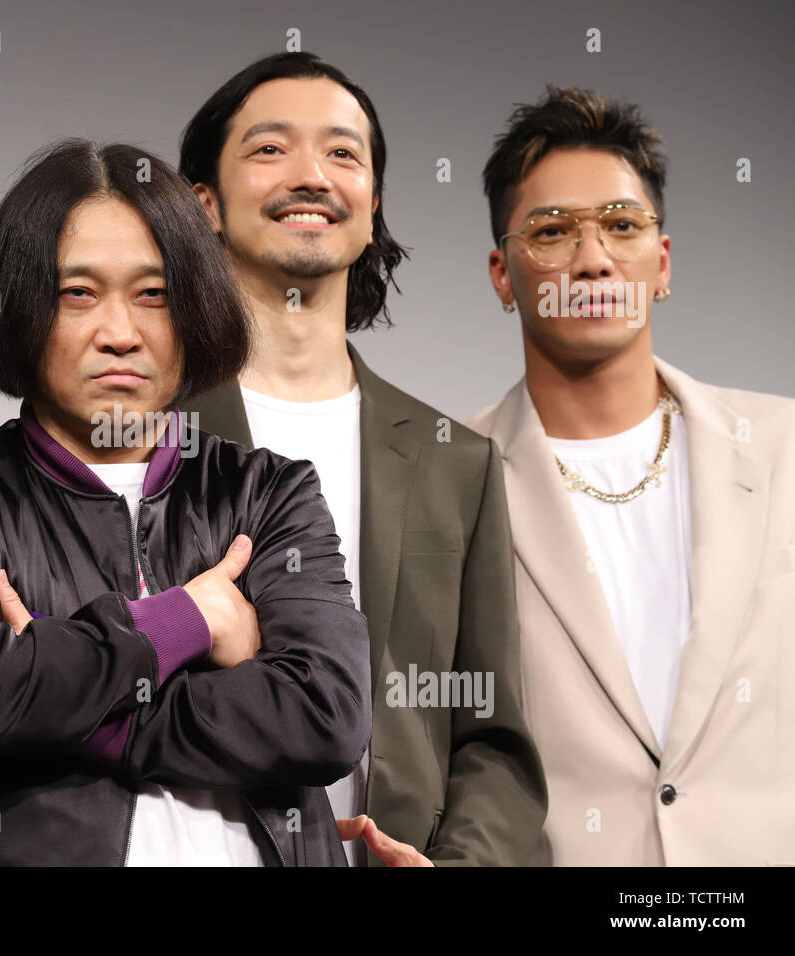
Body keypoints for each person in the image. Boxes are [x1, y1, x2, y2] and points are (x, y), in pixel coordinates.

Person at [0, 139, 370, 865]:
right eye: (78, 294)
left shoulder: (267, 491)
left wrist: (84, 704)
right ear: (21, 306)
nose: (120, 334)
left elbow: (326, 716)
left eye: (154, 295)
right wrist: (189, 619)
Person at [180, 52, 546, 866]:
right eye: (270, 149)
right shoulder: (142, 431)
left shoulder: (458, 462)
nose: (312, 175)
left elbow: (494, 743)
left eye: (343, 154)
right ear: (203, 203)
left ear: (372, 207)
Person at [470, 86, 795, 865]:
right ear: (502, 273)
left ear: (663, 261)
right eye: (551, 231)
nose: (592, 259)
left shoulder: (785, 447)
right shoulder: (449, 479)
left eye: (622, 225)